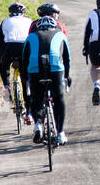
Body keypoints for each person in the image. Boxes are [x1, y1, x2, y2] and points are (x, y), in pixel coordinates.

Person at [21, 15, 72, 145]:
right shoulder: (60, 34)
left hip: (35, 69)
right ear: (53, 26)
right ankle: (60, 133)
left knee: (36, 98)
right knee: (58, 99)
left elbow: (24, 60)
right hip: (55, 69)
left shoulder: (31, 37)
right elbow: (67, 58)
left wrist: (26, 79)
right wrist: (67, 76)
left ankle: (38, 124)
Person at [0, 2, 33, 124]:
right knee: (25, 80)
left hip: (9, 47)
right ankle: (29, 113)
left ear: (10, 13)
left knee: (4, 66)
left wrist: (1, 56)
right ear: (24, 13)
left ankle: (6, 86)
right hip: (24, 47)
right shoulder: (29, 21)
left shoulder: (5, 21)